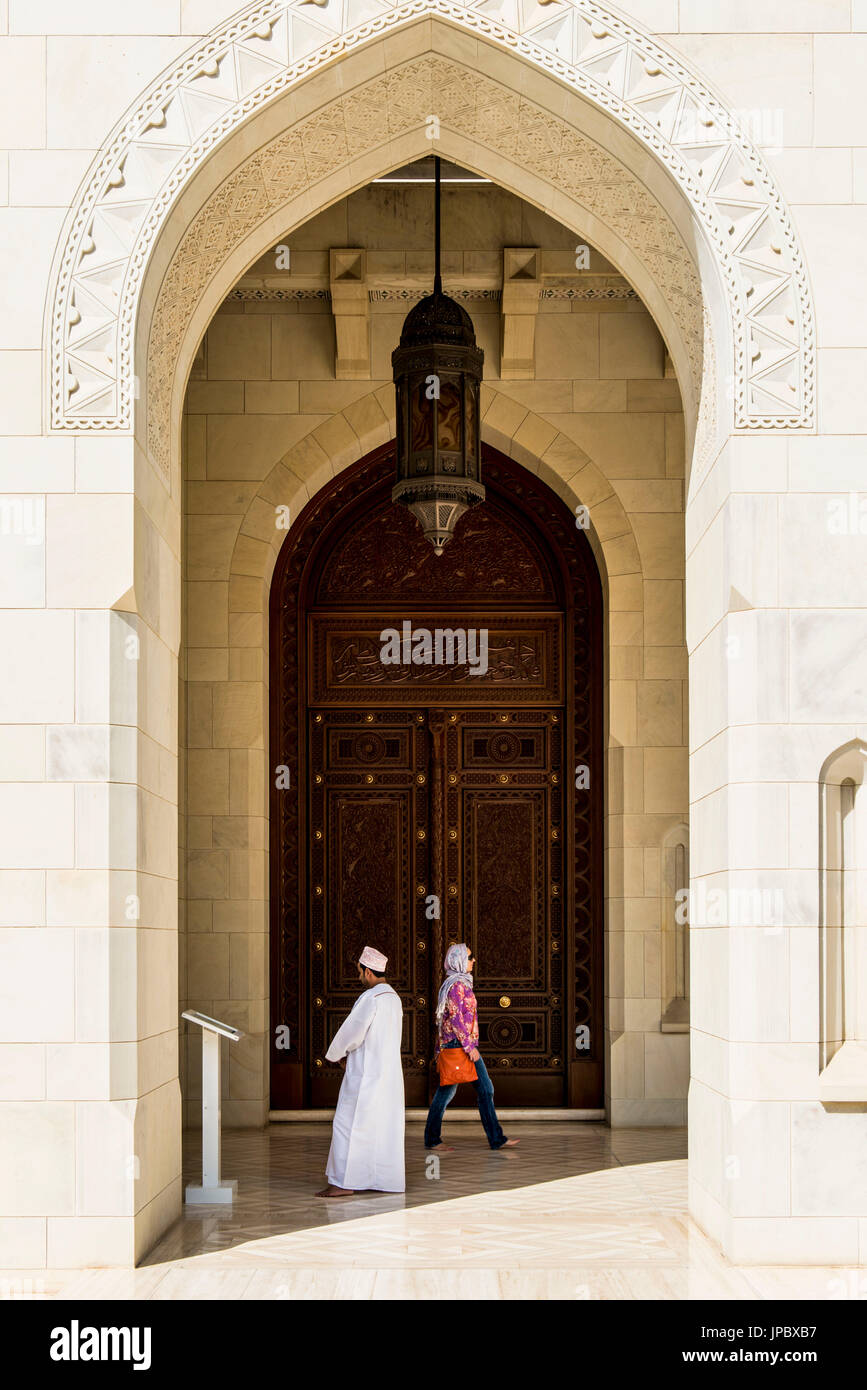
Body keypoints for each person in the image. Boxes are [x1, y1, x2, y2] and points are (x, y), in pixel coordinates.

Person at [316, 946, 405, 1198]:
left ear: (367, 972)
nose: (359, 977)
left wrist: (337, 1054)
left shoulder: (371, 998)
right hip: (388, 1076)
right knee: (382, 1128)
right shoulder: (393, 998)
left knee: (348, 1124)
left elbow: (353, 1031)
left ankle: (343, 1183)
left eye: (359, 972)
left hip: (366, 1074)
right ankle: (384, 1180)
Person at [424, 942, 519, 1153]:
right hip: (459, 1046)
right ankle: (433, 1139)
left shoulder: (461, 983)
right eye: (469, 957)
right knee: (455, 1092)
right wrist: (469, 1046)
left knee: (479, 1090)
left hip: (463, 1045)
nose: (473, 960)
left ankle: (496, 1138)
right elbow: (457, 1020)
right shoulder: (456, 986)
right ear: (458, 961)